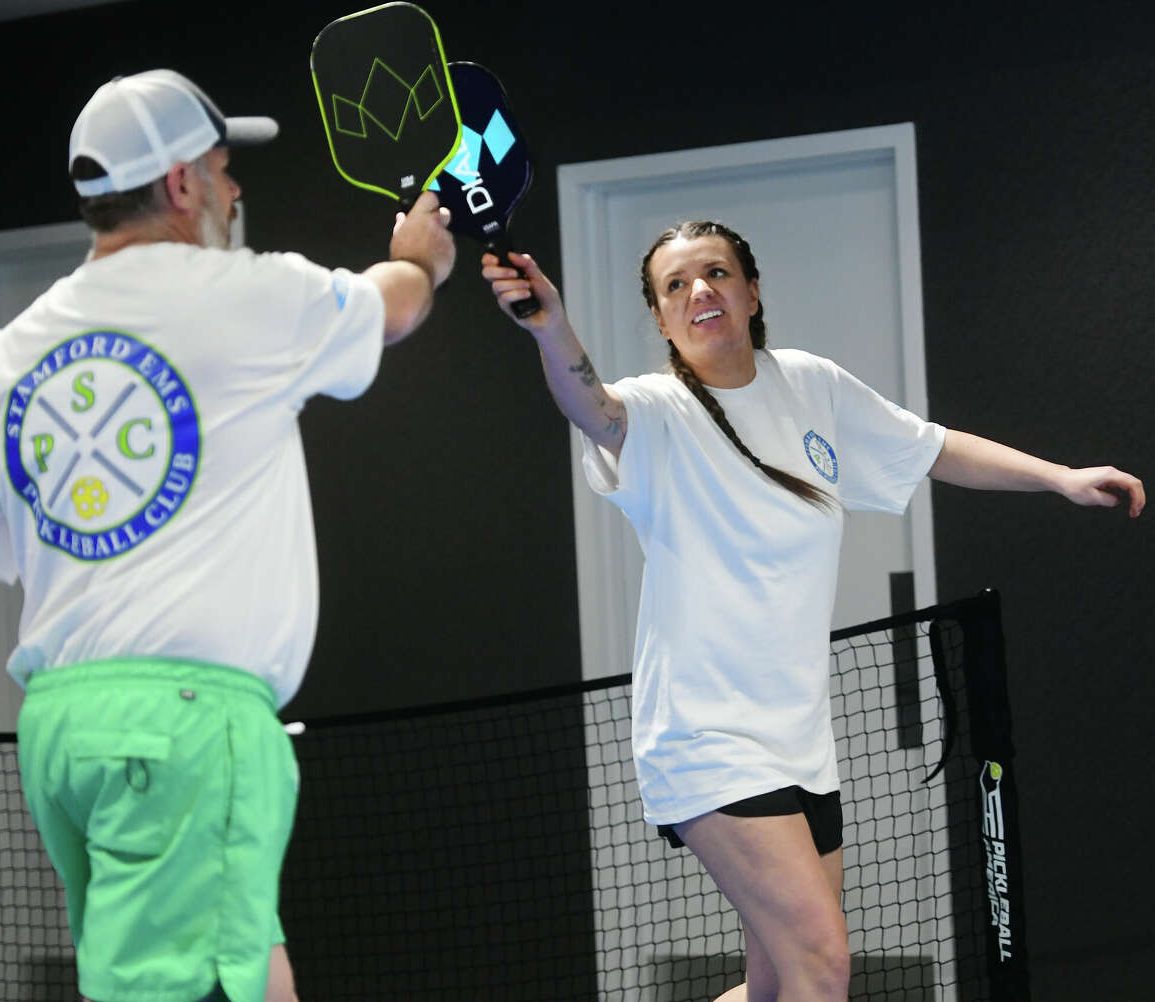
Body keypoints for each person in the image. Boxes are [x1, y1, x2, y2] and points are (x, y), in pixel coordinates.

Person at [481, 220, 1143, 1002]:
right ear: (660, 318)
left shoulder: (812, 385)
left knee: (774, 983)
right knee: (822, 963)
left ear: (751, 291)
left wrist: (1059, 477)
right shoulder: (655, 413)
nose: (701, 291)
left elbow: (930, 448)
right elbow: (591, 407)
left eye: (718, 273)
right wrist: (552, 330)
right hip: (705, 735)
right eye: (676, 284)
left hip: (799, 740)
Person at [0, 69, 455, 1002]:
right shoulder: (244, 294)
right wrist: (423, 255)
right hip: (183, 728)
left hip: (60, 730)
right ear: (182, 184)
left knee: (250, 968)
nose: (235, 192)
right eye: (224, 171)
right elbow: (391, 306)